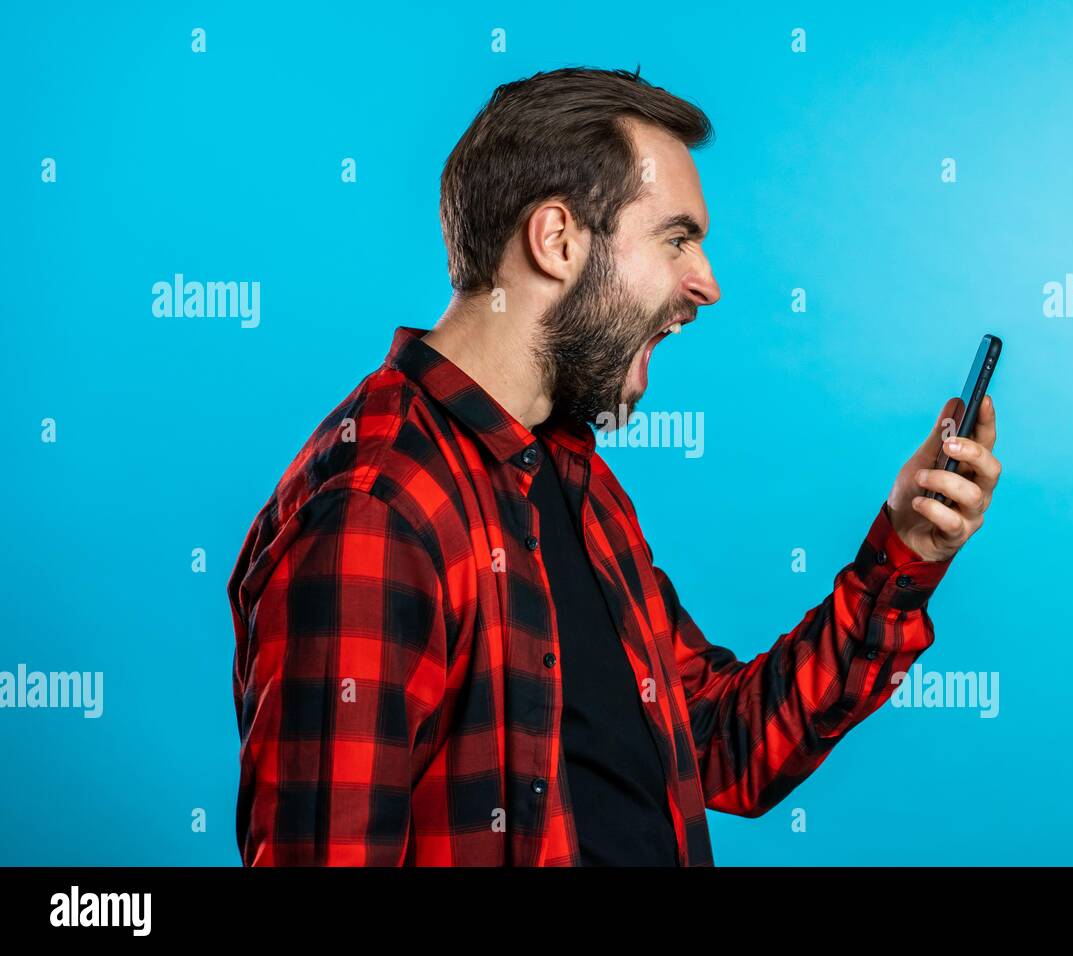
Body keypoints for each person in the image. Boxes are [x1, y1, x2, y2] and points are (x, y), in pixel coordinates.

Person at [227, 66, 1002, 866]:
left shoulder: (571, 476)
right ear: (558, 241)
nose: (707, 284)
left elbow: (721, 744)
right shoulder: (376, 508)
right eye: (677, 238)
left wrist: (907, 548)